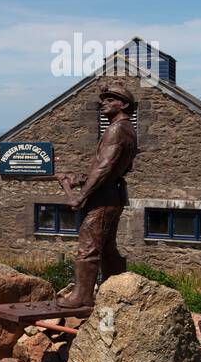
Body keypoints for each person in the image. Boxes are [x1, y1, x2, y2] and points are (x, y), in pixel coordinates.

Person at [55, 81, 139, 308]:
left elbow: (103, 167)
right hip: (113, 195)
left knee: (89, 247)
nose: (103, 103)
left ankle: (82, 296)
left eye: (110, 100)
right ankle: (114, 292)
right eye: (103, 99)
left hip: (102, 198)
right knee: (107, 248)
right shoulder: (128, 129)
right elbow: (113, 168)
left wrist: (81, 195)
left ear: (123, 104)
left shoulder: (116, 129)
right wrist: (81, 177)